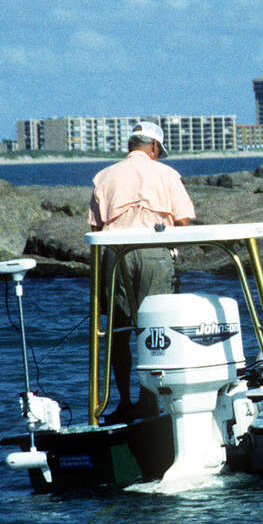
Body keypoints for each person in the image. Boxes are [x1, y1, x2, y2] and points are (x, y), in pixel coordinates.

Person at [87, 120, 196, 423]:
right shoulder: (167, 174)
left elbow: (95, 227)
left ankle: (123, 400)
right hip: (152, 250)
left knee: (118, 330)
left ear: (130, 145)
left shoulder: (104, 176)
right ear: (154, 147)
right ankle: (150, 400)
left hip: (114, 250)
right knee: (154, 327)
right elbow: (185, 221)